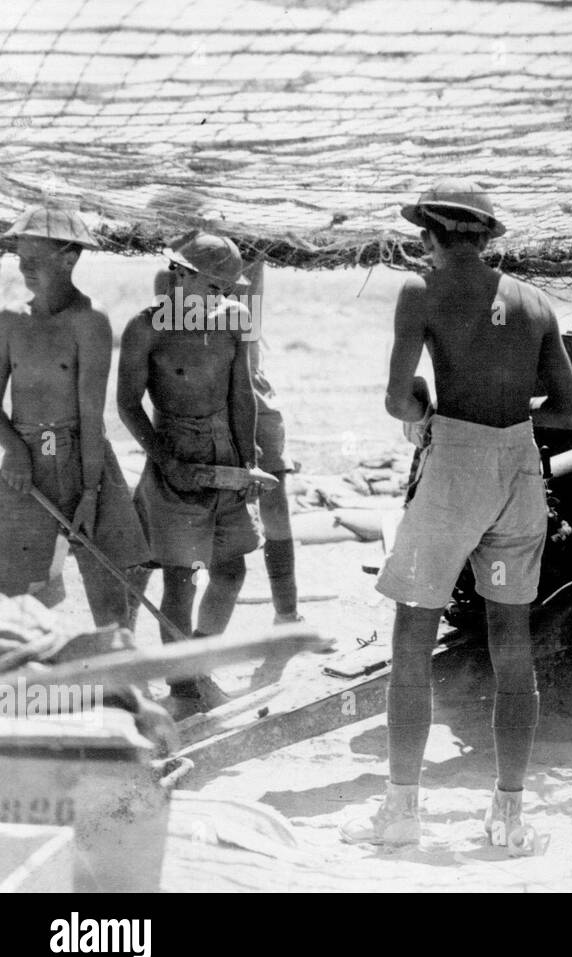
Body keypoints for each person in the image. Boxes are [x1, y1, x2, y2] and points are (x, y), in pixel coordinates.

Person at [341, 180, 572, 849]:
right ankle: (508, 816)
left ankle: (401, 812)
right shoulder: (534, 303)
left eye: (424, 235)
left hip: (456, 467)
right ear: (486, 236)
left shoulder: (422, 291)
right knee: (511, 642)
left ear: (438, 236)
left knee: (412, 638)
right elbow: (567, 412)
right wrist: (513, 419)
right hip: (520, 469)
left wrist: (424, 405)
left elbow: (397, 400)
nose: (421, 246)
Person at [117, 231, 275, 715]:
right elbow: (127, 404)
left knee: (231, 571)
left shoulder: (233, 319)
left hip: (227, 454)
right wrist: (168, 462)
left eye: (227, 289)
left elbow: (242, 392)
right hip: (175, 455)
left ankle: (198, 662)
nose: (222, 298)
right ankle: (183, 690)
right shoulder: (146, 328)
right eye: (213, 287)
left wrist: (247, 463)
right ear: (181, 275)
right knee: (181, 579)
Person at [150, 259, 334, 655]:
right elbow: (177, 348)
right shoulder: (175, 274)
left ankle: (286, 618)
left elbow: (248, 341)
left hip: (253, 395)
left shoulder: (250, 267)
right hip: (203, 408)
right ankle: (190, 662)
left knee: (275, 503)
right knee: (200, 538)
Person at [0, 206, 151, 623]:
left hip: (84, 458)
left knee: (114, 573)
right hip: (24, 464)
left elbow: (90, 413)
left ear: (68, 259)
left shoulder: (90, 321)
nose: (24, 267)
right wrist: (12, 449)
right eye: (20, 257)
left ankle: (116, 680)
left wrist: (89, 494)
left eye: (37, 259)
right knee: (11, 589)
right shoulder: (10, 320)